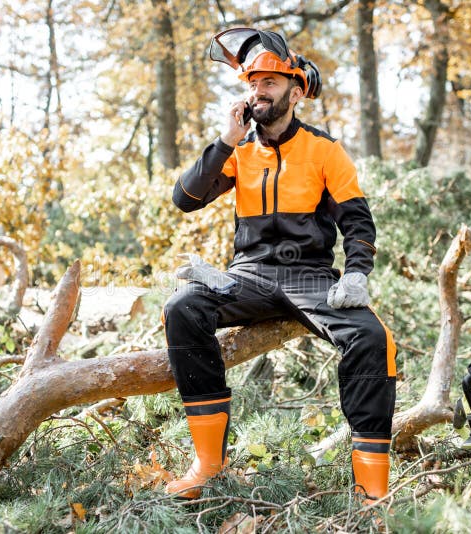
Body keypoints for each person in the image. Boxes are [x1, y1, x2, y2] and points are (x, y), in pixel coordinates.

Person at [162, 28, 396, 502]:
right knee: (182, 306)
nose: (258, 91)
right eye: (252, 83)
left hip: (309, 276)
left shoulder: (325, 150)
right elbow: (184, 198)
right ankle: (208, 464)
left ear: (296, 89)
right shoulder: (238, 150)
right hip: (248, 275)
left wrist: (356, 273)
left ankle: (372, 490)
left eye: (269, 82)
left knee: (374, 340)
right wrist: (224, 142)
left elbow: (358, 221)